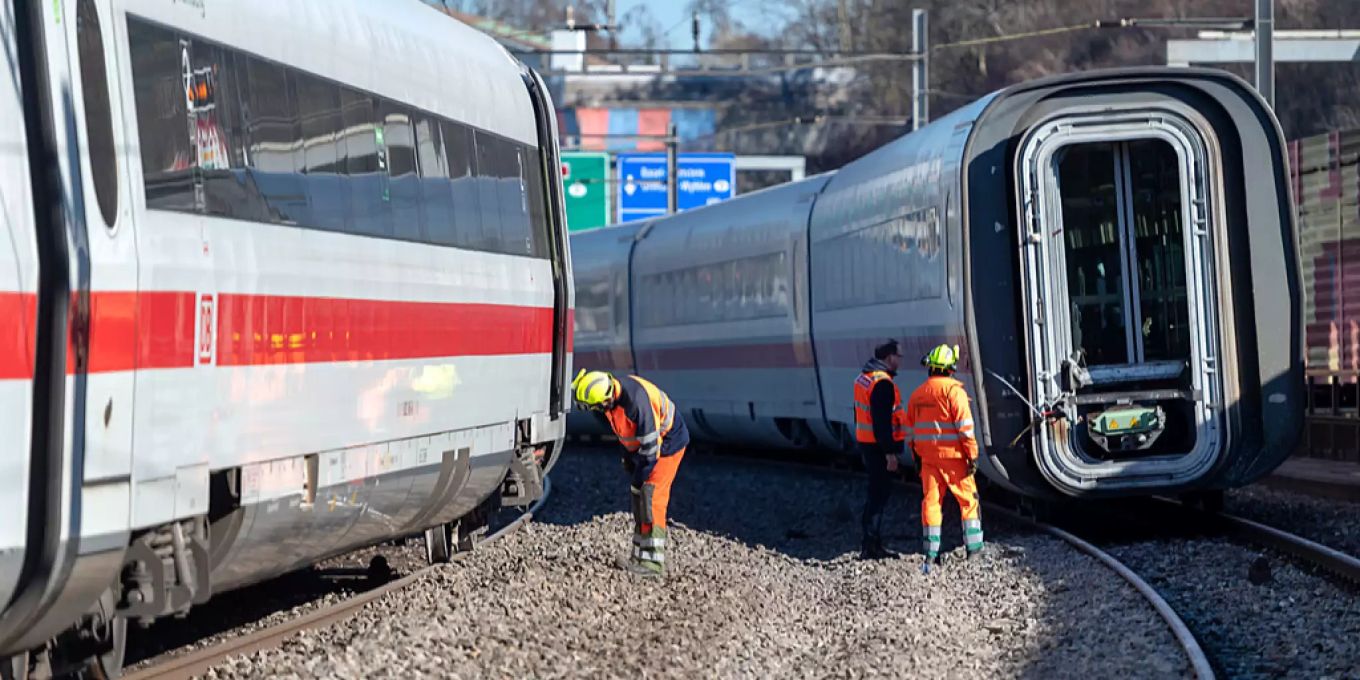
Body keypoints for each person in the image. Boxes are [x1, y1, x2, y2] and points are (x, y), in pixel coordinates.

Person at [572, 369, 689, 578]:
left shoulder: (636, 403)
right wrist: (627, 458)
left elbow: (651, 451)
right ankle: (639, 557)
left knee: (651, 498)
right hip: (650, 448)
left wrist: (638, 480)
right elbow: (626, 435)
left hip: (669, 442)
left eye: (594, 408)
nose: (595, 411)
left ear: (605, 401)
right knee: (640, 500)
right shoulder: (612, 399)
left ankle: (653, 565)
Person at [904, 343, 983, 572]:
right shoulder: (954, 392)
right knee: (968, 501)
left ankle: (930, 555)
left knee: (931, 503)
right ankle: (974, 550)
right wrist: (972, 456)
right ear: (950, 369)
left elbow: (911, 429)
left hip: (928, 458)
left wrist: (915, 454)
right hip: (954, 458)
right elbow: (965, 429)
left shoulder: (918, 395)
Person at [852, 340, 909, 559]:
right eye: (899, 356)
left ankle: (870, 543)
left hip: (867, 444)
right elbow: (881, 423)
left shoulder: (863, 379)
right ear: (889, 357)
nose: (900, 361)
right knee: (879, 495)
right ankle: (871, 544)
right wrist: (890, 454)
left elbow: (860, 416)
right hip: (878, 448)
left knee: (875, 493)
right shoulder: (882, 384)